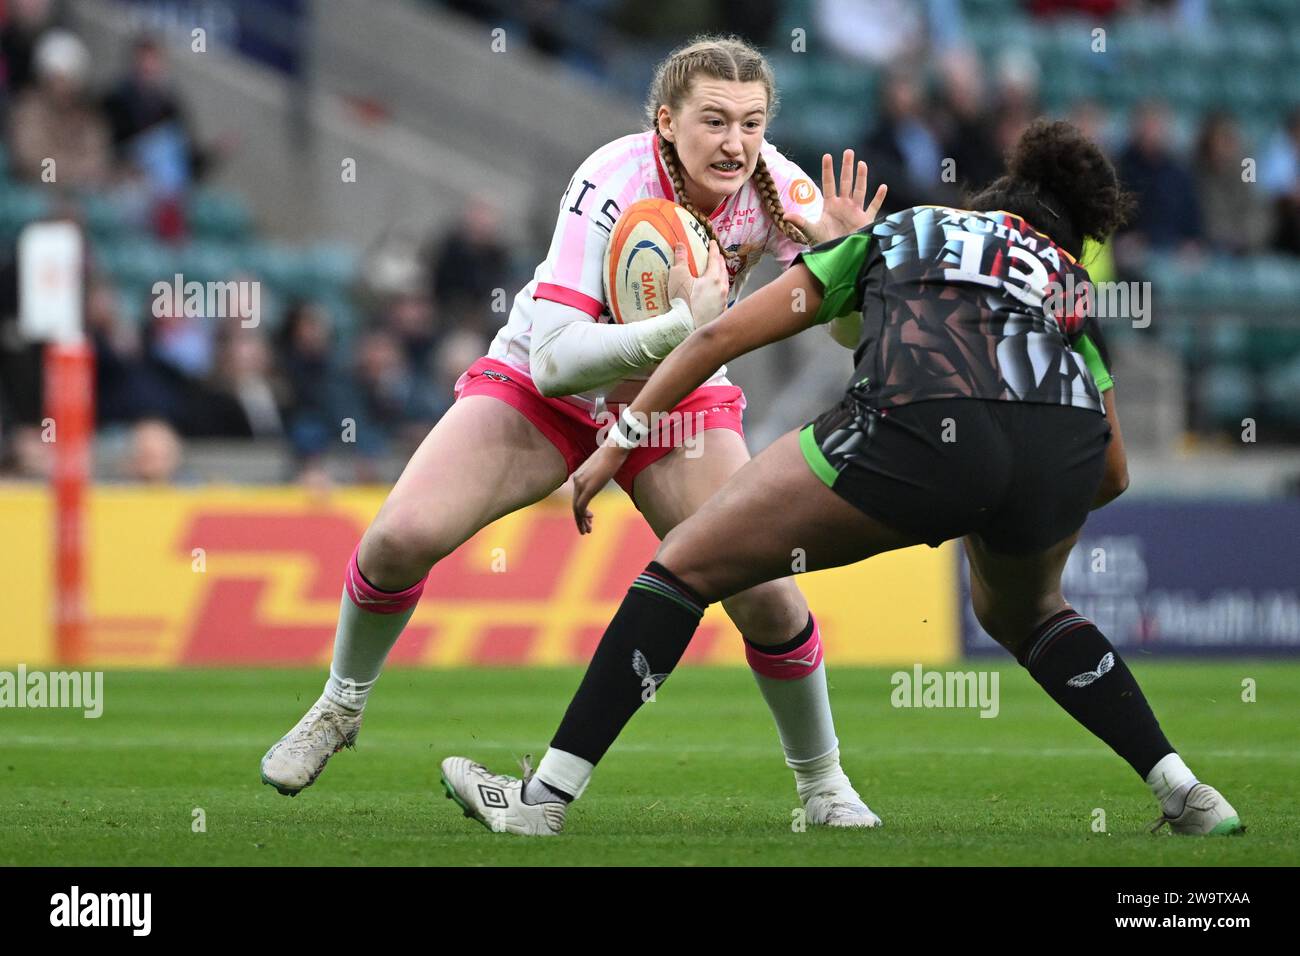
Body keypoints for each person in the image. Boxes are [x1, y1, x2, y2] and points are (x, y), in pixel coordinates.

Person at [442, 119, 1244, 838]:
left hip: (912, 427)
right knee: (1030, 613)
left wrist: (619, 439)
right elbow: (1115, 471)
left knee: (685, 564)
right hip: (1058, 449)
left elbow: (719, 335)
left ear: (997, 193)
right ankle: (1187, 791)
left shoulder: (909, 229)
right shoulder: (1068, 282)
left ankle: (542, 801)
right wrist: (993, 486)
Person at [260, 35, 892, 827]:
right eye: (714, 121)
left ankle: (824, 787)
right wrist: (675, 330)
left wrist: (844, 266)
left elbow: (847, 340)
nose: (736, 143)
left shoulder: (783, 192)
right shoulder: (610, 179)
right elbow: (557, 361)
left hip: (676, 406)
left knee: (766, 596)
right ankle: (340, 708)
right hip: (545, 390)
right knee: (398, 538)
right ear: (667, 121)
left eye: (752, 123)